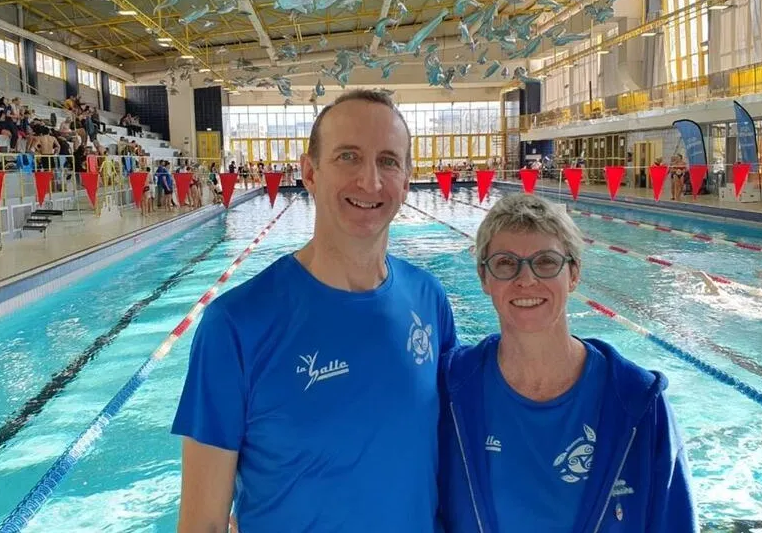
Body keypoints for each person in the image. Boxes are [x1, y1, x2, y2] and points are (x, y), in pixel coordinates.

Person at [172, 90, 457, 532]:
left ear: (406, 179)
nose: (370, 181)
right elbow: (203, 524)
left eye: (388, 160)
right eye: (348, 156)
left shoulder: (429, 299)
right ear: (309, 172)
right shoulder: (235, 325)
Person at [439, 193, 696, 533]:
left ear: (573, 274)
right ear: (484, 278)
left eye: (546, 262)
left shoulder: (638, 402)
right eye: (505, 263)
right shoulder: (451, 388)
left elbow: (673, 522)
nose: (526, 279)